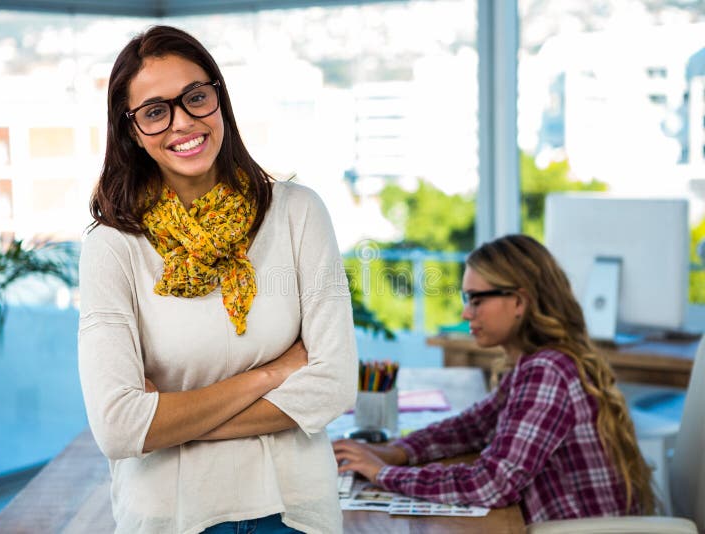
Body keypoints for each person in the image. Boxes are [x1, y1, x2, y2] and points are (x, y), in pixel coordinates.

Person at [78, 25, 357, 534]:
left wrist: (167, 423)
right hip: (171, 516)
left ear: (219, 101)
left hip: (293, 510)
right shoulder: (113, 246)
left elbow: (334, 384)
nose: (183, 122)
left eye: (196, 97)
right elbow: (119, 427)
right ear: (132, 131)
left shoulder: (298, 214)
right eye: (156, 111)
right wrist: (271, 374)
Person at [333, 234, 655, 524]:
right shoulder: (536, 363)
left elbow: (492, 483)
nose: (466, 313)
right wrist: (398, 452)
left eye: (477, 299)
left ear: (518, 301)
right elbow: (472, 426)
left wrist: (384, 473)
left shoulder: (547, 371)